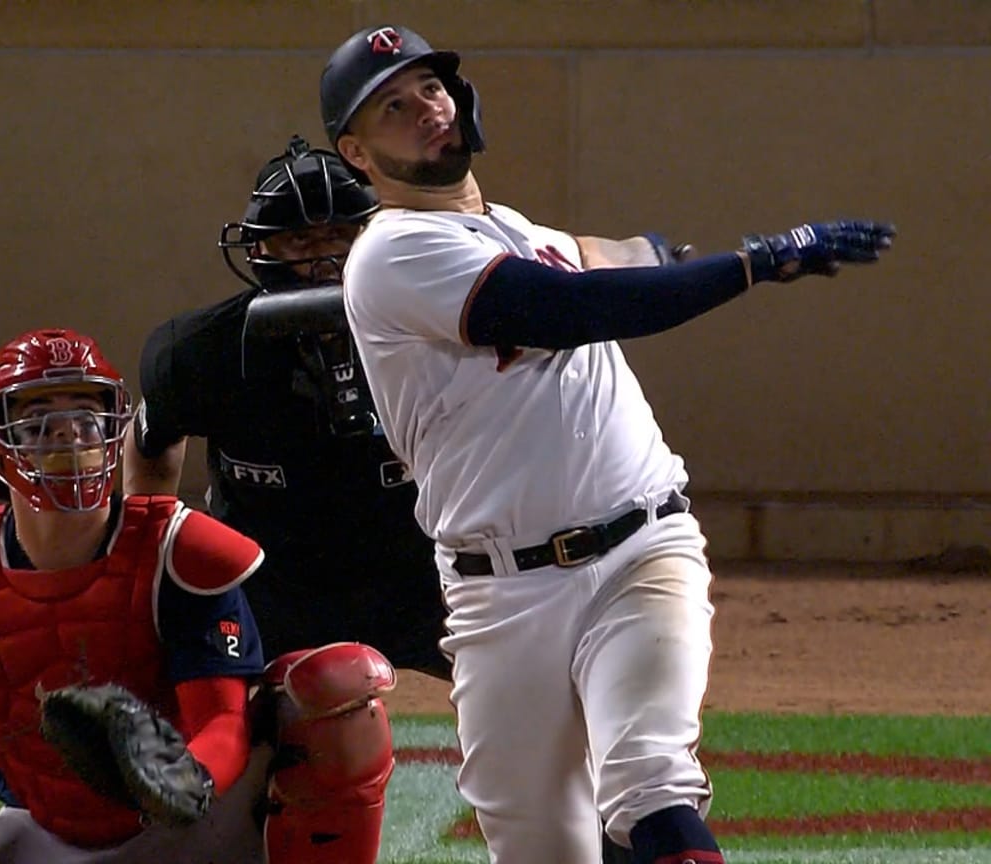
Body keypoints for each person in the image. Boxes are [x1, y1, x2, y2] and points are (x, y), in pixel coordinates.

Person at [317, 24, 896, 864]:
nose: (425, 111)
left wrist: (657, 258)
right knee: (544, 848)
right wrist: (757, 261)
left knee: (647, 781)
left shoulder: (516, 228)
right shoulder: (394, 254)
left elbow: (603, 265)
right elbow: (572, 309)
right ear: (358, 154)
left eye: (430, 89)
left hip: (642, 553)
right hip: (503, 601)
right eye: (392, 108)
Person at [0, 327, 399, 864]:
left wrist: (185, 779)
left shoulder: (176, 550)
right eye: (38, 418)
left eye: (85, 415)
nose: (68, 433)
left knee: (338, 689)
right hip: (42, 828)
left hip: (193, 826)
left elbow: (222, 717)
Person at [124, 134, 452, 681]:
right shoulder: (203, 352)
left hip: (417, 578)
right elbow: (152, 439)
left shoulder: (444, 334)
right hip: (265, 588)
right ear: (263, 251)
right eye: (301, 242)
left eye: (342, 236)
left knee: (526, 696)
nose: (325, 261)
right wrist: (149, 563)